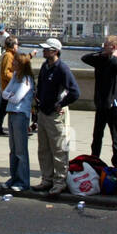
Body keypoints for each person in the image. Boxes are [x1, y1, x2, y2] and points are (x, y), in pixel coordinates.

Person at [32, 38, 80, 197]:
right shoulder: (46, 66)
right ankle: (47, 179)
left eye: (47, 49)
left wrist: (62, 104)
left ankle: (60, 181)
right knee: (43, 149)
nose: (43, 51)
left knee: (59, 149)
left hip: (55, 115)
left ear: (55, 51)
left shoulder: (62, 69)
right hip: (43, 113)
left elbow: (75, 92)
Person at [83, 36, 117, 170]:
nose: (103, 46)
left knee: (116, 137)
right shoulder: (100, 60)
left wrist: (113, 56)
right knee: (97, 135)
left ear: (114, 47)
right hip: (101, 103)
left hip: (114, 105)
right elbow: (85, 58)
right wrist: (102, 54)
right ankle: (94, 160)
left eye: (106, 45)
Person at [1, 52, 35, 192]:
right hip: (12, 113)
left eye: (15, 62)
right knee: (13, 149)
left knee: (21, 150)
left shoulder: (27, 79)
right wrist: (10, 95)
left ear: (21, 65)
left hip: (21, 115)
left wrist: (9, 95)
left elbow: (16, 98)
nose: (12, 63)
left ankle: (23, 181)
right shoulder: (15, 76)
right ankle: (14, 177)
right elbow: (5, 93)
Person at [0, 36, 20, 136]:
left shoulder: (9, 55)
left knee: (3, 108)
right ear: (13, 45)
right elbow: (5, 73)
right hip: (7, 87)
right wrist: (16, 78)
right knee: (4, 109)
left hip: (7, 86)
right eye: (17, 44)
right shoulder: (8, 56)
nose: (18, 46)